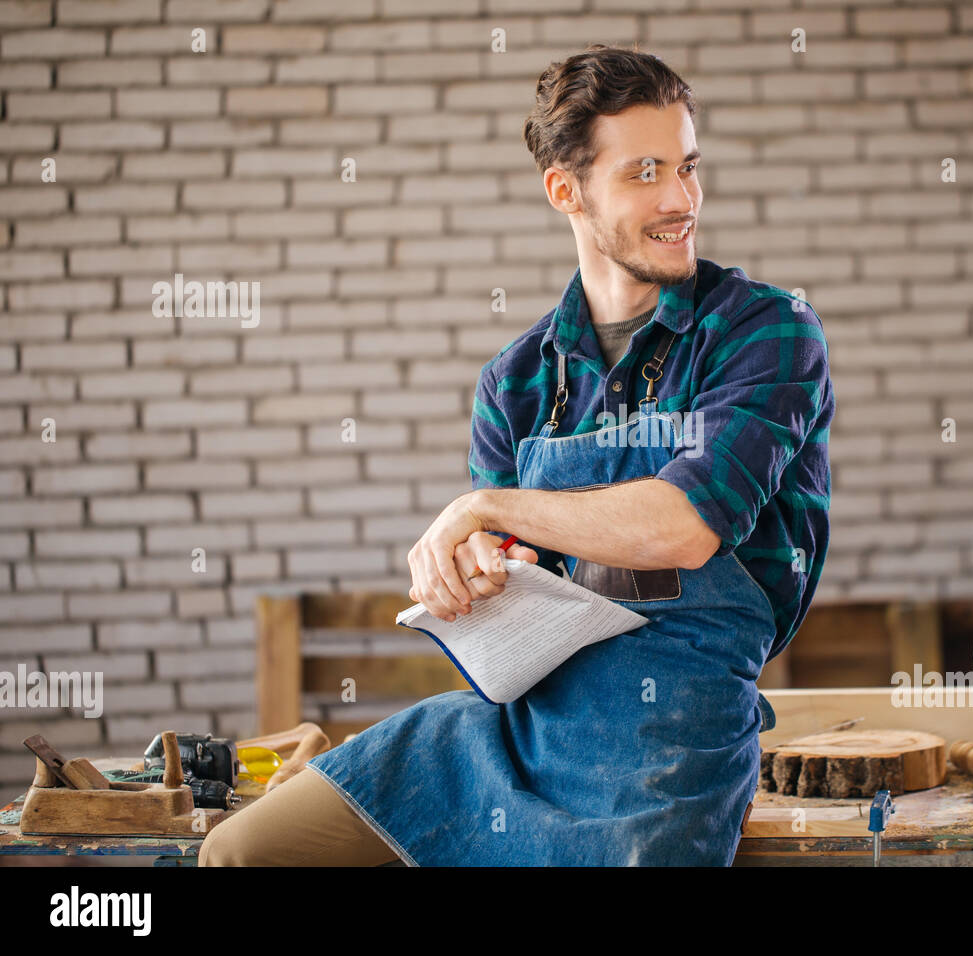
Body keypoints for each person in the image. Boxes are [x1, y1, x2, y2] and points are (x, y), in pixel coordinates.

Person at [200, 43, 835, 867]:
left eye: (688, 166)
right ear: (565, 190)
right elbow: (512, 584)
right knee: (242, 853)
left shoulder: (764, 331)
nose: (682, 198)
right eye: (645, 172)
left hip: (668, 751)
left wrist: (482, 508)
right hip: (512, 729)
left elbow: (684, 526)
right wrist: (469, 573)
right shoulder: (519, 379)